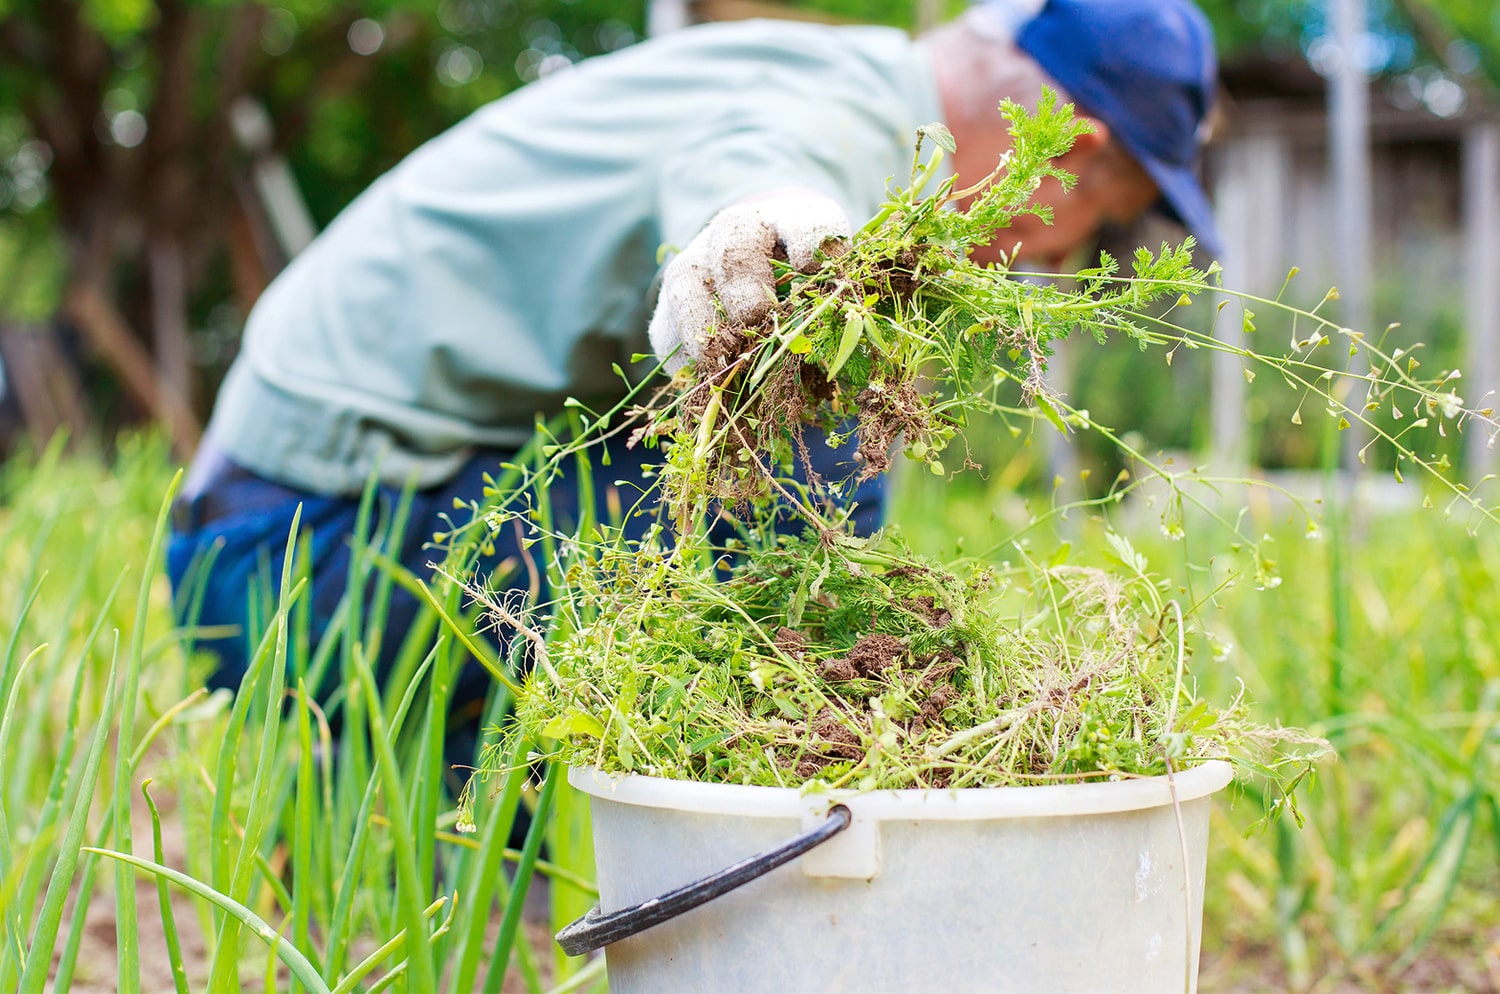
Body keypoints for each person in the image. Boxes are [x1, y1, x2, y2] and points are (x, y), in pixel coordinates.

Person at [166, 0, 1223, 759]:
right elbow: (759, 161)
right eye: (1103, 219)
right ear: (1068, 155)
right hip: (284, 565)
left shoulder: (847, 77)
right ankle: (509, 811)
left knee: (772, 474)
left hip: (319, 523)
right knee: (813, 467)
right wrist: (767, 234)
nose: (1057, 255)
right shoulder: (846, 123)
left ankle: (466, 798)